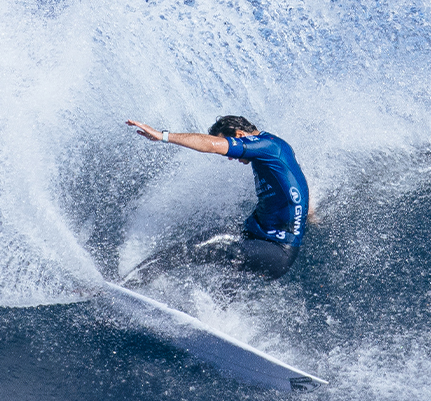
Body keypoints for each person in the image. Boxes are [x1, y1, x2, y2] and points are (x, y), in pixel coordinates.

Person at [125, 115, 309, 279]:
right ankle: (131, 281)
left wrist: (162, 136)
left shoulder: (267, 146)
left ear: (239, 135)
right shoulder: (272, 149)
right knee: (194, 245)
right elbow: (294, 182)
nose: (230, 157)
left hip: (277, 249)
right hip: (253, 234)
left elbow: (211, 146)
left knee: (209, 250)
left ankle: (130, 284)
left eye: (228, 145)